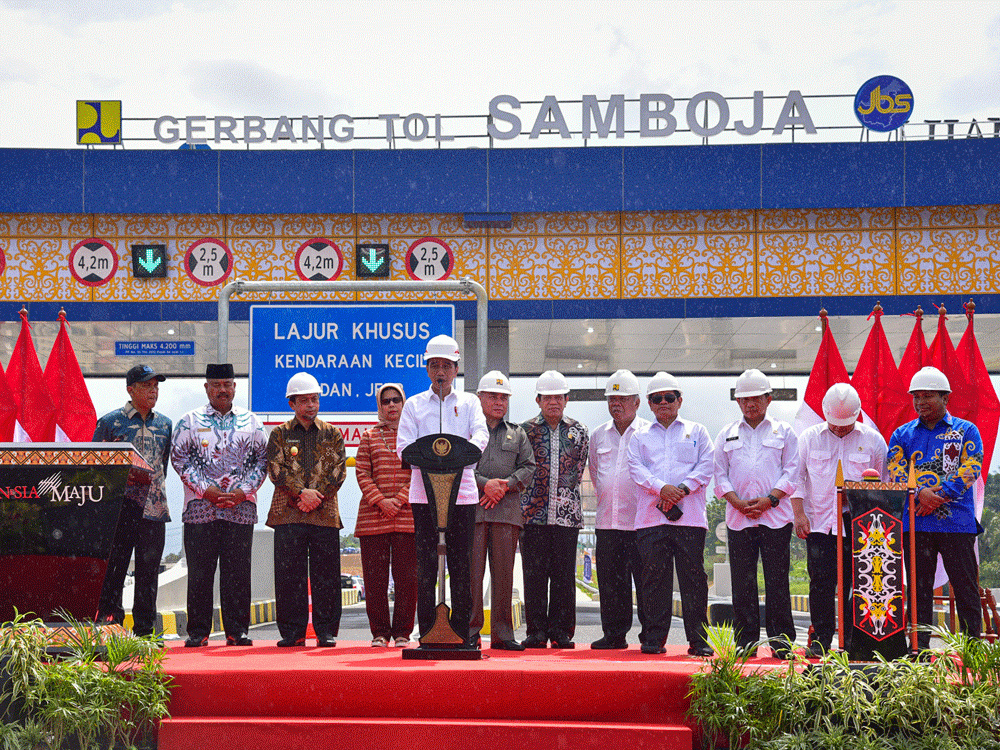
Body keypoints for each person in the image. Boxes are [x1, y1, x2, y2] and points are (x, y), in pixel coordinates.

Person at [396, 335, 489, 645]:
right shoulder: (413, 405)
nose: (440, 371)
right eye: (434, 365)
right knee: (426, 566)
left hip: (461, 496)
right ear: (426, 369)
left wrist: (456, 456)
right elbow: (403, 449)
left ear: (456, 369)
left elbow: (480, 438)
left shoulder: (470, 402)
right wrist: (433, 457)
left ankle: (462, 633)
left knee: (462, 564)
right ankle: (427, 632)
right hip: (424, 498)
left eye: (446, 366)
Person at [170, 364, 267, 647]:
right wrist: (205, 489)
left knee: (237, 573)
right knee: (200, 572)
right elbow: (179, 458)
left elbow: (263, 460)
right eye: (216, 385)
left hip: (241, 508)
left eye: (227, 384)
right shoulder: (189, 420)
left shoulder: (252, 422)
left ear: (235, 387)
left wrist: (242, 491)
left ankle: (238, 631)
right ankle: (198, 632)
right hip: (201, 509)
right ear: (207, 388)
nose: (222, 390)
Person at [887, 366, 984, 651]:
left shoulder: (967, 431)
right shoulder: (901, 435)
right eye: (916, 397)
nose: (920, 403)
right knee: (917, 591)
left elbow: (971, 469)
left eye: (928, 396)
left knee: (965, 587)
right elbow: (895, 471)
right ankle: (918, 648)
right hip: (917, 526)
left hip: (957, 525)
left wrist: (936, 496)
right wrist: (920, 494)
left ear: (946, 398)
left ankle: (972, 650)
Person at [791, 383, 887, 655]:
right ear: (825, 415)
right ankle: (821, 640)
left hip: (858, 527)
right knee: (820, 583)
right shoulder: (809, 438)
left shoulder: (873, 440)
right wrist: (799, 515)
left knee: (855, 585)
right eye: (835, 424)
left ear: (857, 414)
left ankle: (852, 642)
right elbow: (796, 479)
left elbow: (884, 484)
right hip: (819, 522)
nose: (840, 429)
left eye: (846, 424)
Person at [713, 369, 799, 656]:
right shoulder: (727, 433)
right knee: (743, 582)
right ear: (737, 402)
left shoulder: (784, 431)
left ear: (769, 398)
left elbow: (792, 470)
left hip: (775, 517)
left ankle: (782, 642)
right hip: (739, 519)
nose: (750, 404)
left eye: (756, 398)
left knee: (777, 581)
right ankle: (745, 642)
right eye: (744, 399)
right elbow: (719, 474)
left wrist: (770, 499)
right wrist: (736, 501)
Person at [627, 371, 714, 656]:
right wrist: (661, 488)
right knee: (653, 581)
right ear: (649, 404)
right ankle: (653, 639)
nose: (664, 403)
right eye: (657, 398)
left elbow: (706, 466)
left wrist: (681, 490)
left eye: (669, 397)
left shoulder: (698, 431)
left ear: (679, 400)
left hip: (689, 519)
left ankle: (698, 641)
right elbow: (636, 469)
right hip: (651, 520)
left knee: (693, 580)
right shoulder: (638, 436)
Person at [266, 372, 347, 647]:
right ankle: (292, 633)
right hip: (288, 514)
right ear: (292, 404)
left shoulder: (332, 433)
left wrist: (315, 497)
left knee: (327, 576)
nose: (311, 405)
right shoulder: (279, 434)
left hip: (324, 515)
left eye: (314, 399)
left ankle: (326, 632)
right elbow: (276, 470)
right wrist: (301, 493)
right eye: (304, 400)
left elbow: (338, 471)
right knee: (290, 576)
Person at [93, 364, 172, 638]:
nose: (153, 391)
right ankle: (110, 626)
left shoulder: (165, 424)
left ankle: (145, 633)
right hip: (120, 511)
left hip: (154, 510)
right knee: (114, 569)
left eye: (156, 386)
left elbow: (163, 463)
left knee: (148, 574)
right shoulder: (109, 423)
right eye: (147, 386)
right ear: (131, 389)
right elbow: (97, 469)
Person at [520, 370, 589, 649]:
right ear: (538, 400)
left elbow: (580, 469)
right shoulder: (524, 431)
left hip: (566, 515)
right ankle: (536, 631)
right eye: (547, 397)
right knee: (533, 575)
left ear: (566, 399)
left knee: (563, 576)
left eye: (558, 397)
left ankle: (561, 631)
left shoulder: (579, 431)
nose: (553, 402)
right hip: (532, 514)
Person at [470, 370, 536, 651]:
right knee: (471, 575)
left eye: (503, 397)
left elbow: (529, 467)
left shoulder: (517, 433)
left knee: (504, 576)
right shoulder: (468, 431)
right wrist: (485, 485)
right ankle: (470, 632)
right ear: (480, 398)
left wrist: (505, 486)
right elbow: (458, 465)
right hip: (472, 513)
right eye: (493, 396)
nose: (499, 402)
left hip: (507, 514)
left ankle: (503, 635)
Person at [588, 369, 650, 650]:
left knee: (647, 583)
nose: (616, 404)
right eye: (612, 399)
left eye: (623, 399)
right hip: (607, 523)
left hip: (641, 523)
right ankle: (614, 635)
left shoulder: (649, 433)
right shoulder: (599, 435)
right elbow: (595, 472)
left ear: (637, 402)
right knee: (611, 584)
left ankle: (651, 636)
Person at [354, 383, 417, 648]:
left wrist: (398, 500)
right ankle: (379, 632)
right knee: (375, 580)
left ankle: (403, 631)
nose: (391, 405)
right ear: (379, 406)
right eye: (386, 401)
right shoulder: (369, 436)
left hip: (407, 518)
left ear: (403, 404)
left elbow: (419, 472)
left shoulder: (415, 435)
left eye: (396, 400)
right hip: (373, 517)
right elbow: (362, 472)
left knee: (407, 579)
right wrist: (382, 501)